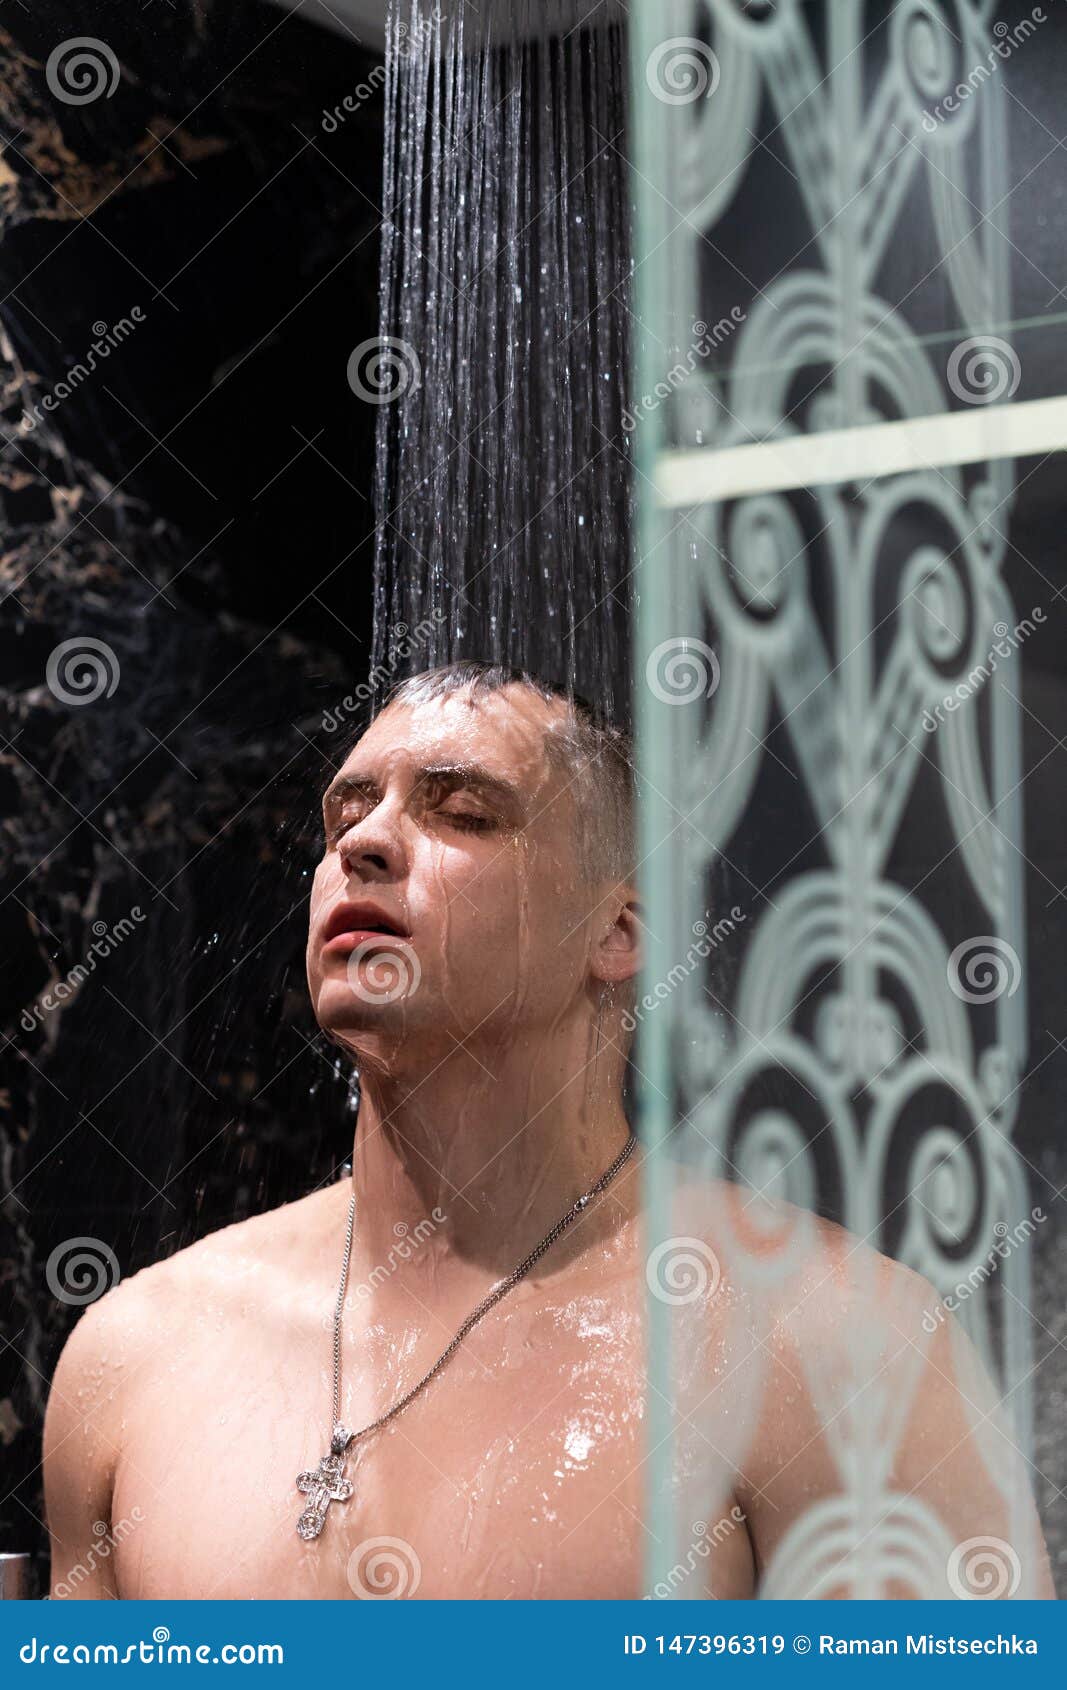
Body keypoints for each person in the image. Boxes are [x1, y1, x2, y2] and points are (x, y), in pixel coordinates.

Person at [42, 662, 1055, 1599]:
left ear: (616, 932)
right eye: (345, 813)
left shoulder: (827, 1343)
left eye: (463, 814)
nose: (362, 843)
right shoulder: (141, 1355)